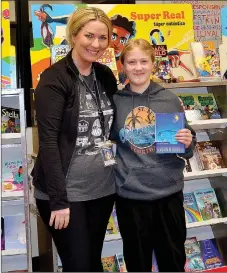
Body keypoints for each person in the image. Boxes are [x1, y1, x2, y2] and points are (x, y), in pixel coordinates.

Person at [32, 7, 117, 272]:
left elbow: (115, 123)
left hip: (102, 190)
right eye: (89, 36)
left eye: (102, 38)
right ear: (74, 35)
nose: (96, 44)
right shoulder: (53, 79)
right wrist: (58, 200)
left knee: (93, 262)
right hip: (66, 194)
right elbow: (47, 142)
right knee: (78, 265)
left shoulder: (104, 75)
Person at [111, 39, 196, 272]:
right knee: (137, 262)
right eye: (132, 62)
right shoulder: (115, 103)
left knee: (173, 261)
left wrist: (188, 143)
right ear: (123, 66)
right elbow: (107, 144)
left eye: (143, 61)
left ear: (153, 64)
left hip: (168, 194)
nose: (138, 67)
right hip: (131, 196)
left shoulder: (169, 99)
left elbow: (187, 143)